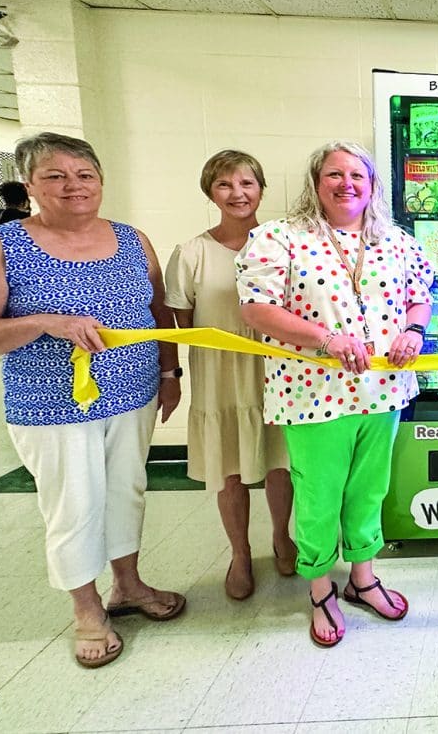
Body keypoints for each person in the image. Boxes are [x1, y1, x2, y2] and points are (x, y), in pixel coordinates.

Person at [0, 131, 186, 669]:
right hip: (51, 405)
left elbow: (158, 311)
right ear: (30, 185)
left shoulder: (131, 239)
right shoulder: (0, 245)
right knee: (74, 505)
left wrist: (170, 373)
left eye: (84, 175)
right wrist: (42, 323)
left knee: (127, 492)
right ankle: (86, 610)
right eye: (55, 176)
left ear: (100, 182)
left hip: (133, 393)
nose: (73, 186)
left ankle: (129, 586)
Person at [236, 140, 434, 647]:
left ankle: (363, 577)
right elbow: (256, 308)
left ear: (372, 186)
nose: (347, 184)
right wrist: (325, 339)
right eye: (334, 175)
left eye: (357, 176)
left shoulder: (397, 240)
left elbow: (419, 297)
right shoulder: (279, 237)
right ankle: (321, 588)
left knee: (370, 490)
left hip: (382, 390)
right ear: (315, 181)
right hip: (312, 393)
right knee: (319, 496)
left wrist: (415, 331)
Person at [165, 150, 295, 601]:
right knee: (230, 471)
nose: (237, 193)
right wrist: (173, 374)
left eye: (247, 183)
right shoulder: (191, 253)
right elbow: (178, 320)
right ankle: (239, 553)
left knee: (281, 465)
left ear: (261, 188)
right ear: (210, 193)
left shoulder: (284, 242)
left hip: (280, 370)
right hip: (221, 375)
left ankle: (282, 535)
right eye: (225, 185)